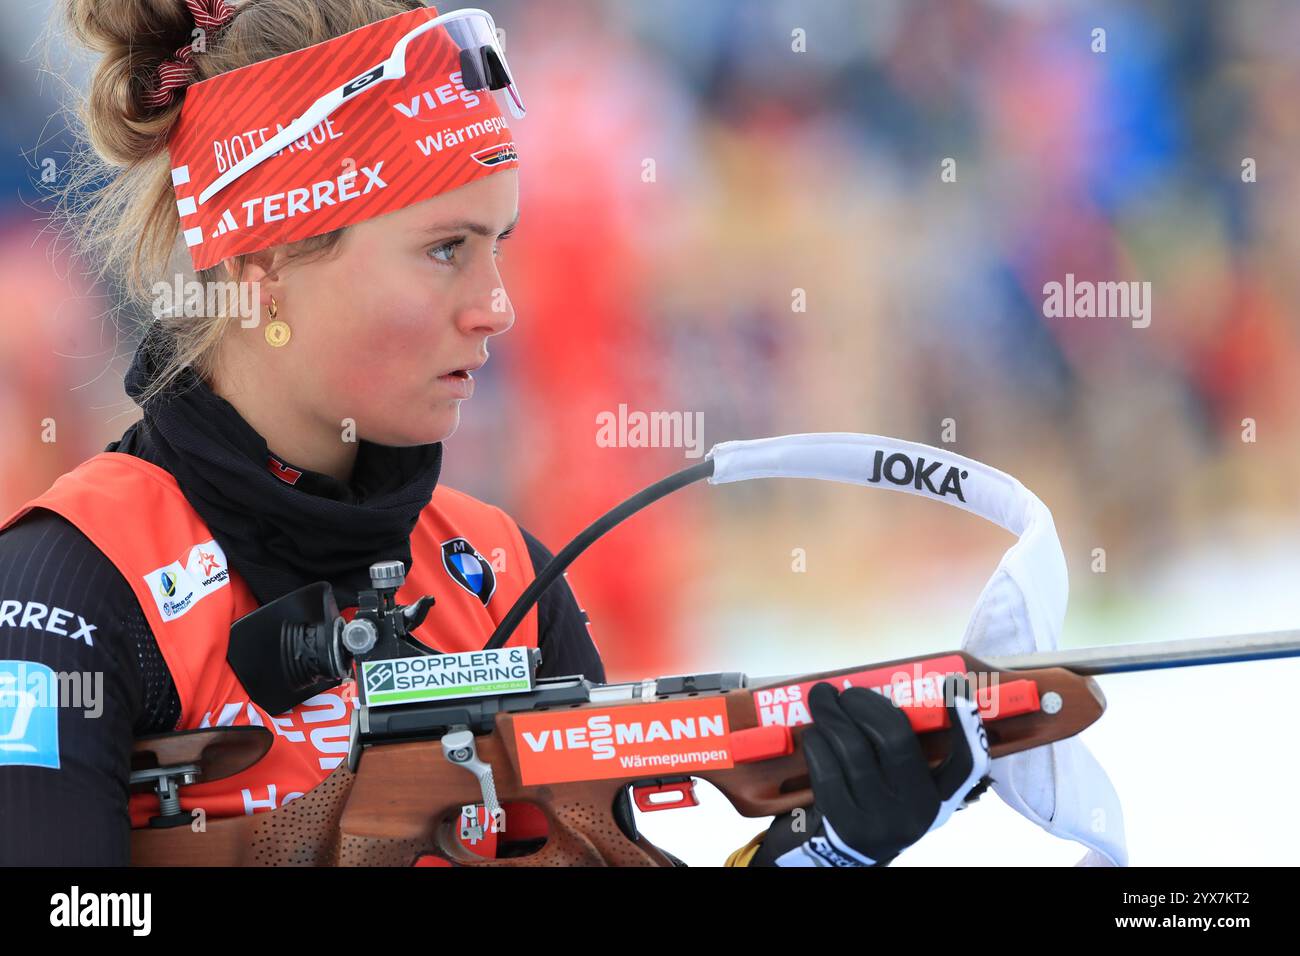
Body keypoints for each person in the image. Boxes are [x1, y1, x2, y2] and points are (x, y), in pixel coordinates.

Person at [0, 0, 990, 867]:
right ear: (263, 264)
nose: (495, 306)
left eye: (497, 243)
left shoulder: (504, 570)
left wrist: (822, 849)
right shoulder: (70, 589)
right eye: (444, 250)